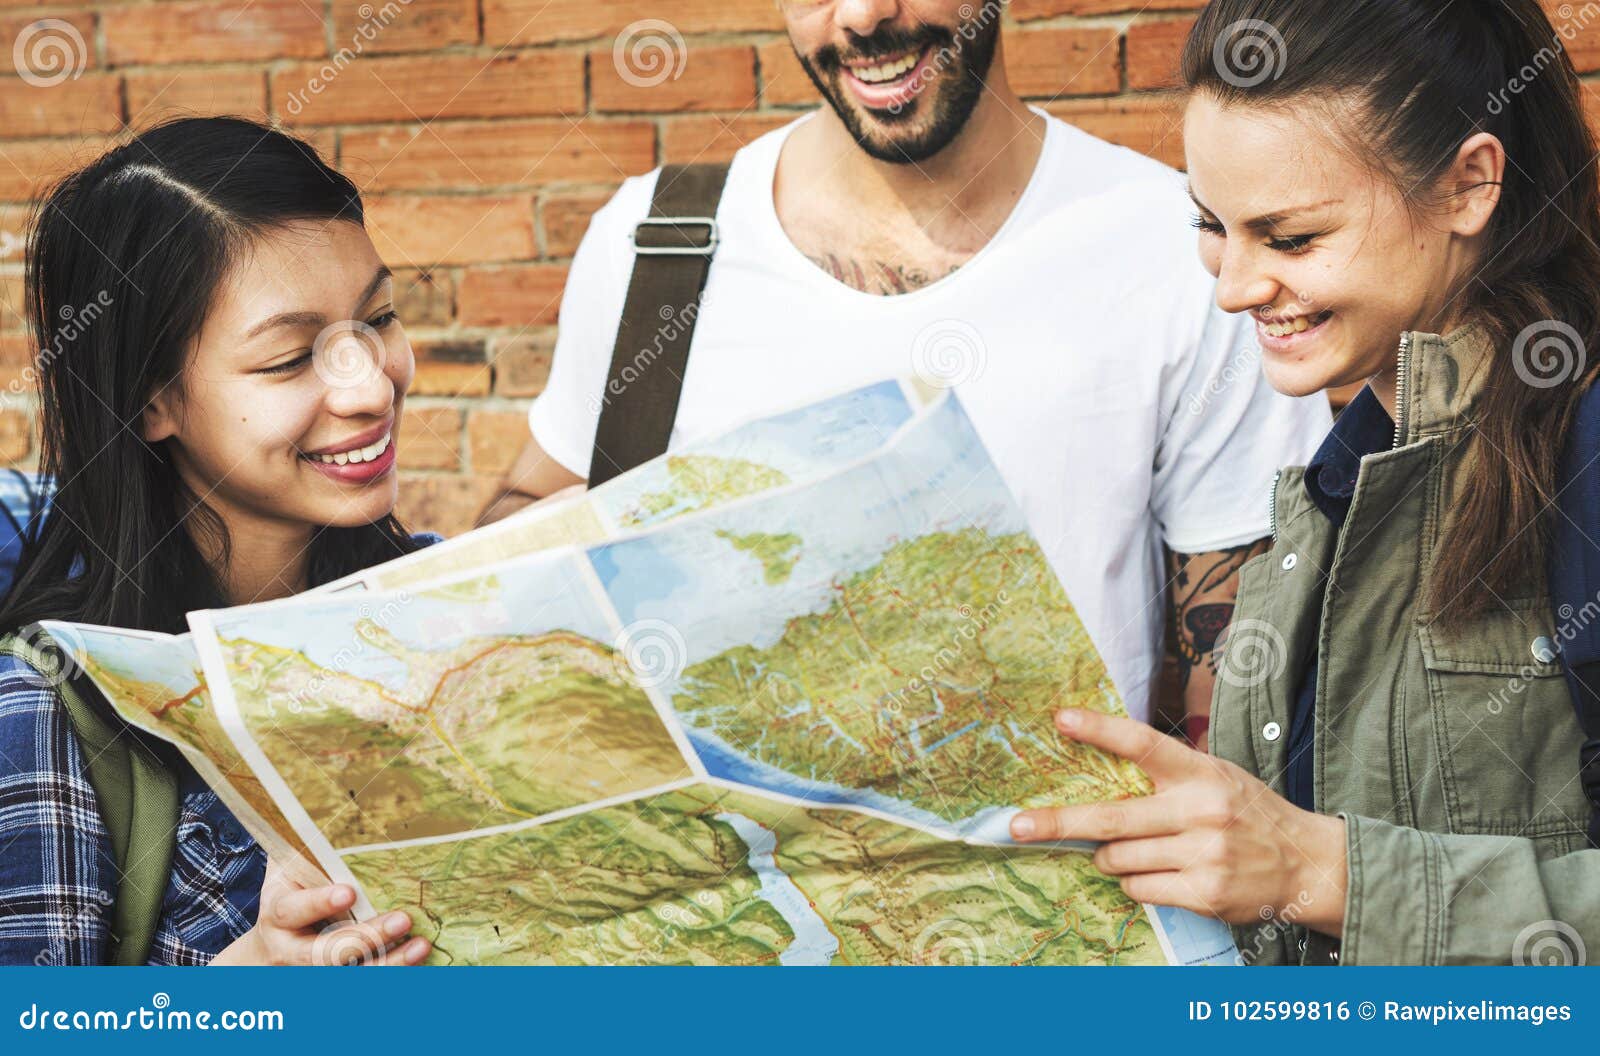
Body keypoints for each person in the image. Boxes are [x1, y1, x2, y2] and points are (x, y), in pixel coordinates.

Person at [479, 0, 1331, 737]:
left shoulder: (1182, 251)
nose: (861, 16)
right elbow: (521, 517)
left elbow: (1235, 688)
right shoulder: (654, 245)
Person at [1012, 0, 1600, 965]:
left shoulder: (1581, 459)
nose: (1233, 288)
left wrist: (1321, 873)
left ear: (1469, 186)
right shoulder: (1337, 480)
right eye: (1212, 225)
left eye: (1289, 239)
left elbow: (1307, 865)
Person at [0, 117, 435, 966]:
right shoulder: (49, 712)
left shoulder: (457, 605)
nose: (371, 387)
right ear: (151, 399)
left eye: (378, 318)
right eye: (289, 360)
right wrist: (258, 971)